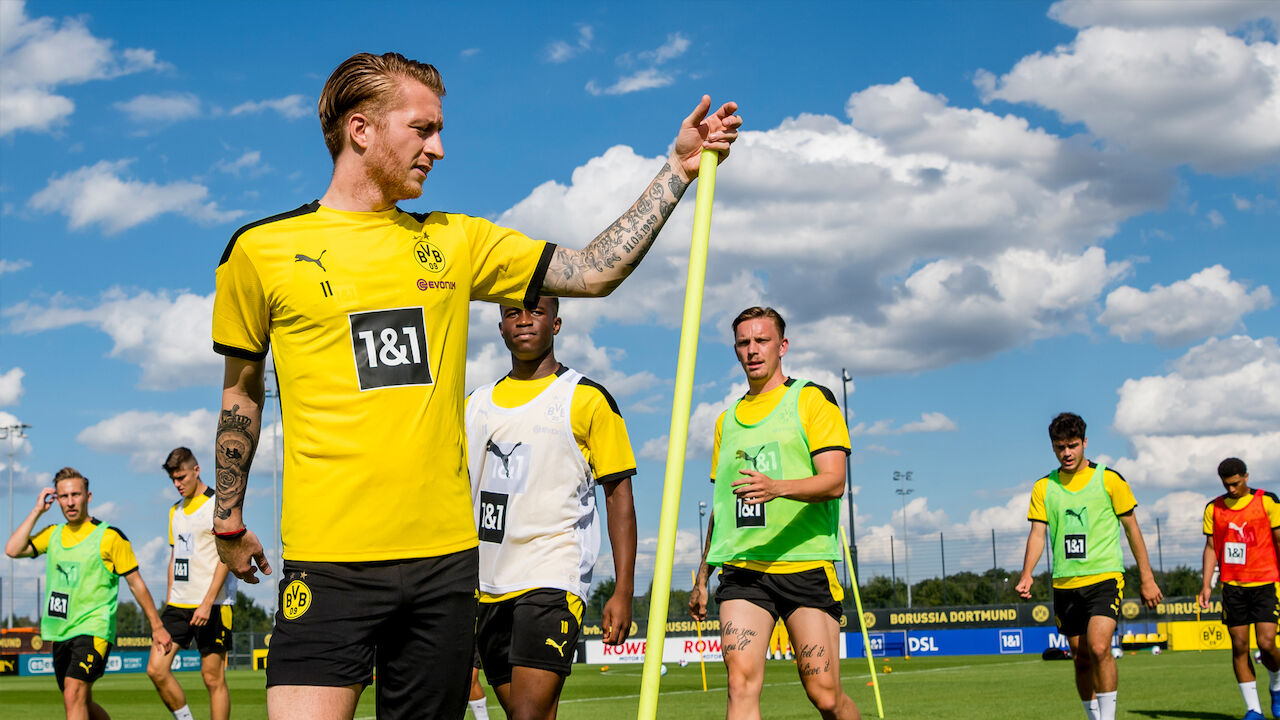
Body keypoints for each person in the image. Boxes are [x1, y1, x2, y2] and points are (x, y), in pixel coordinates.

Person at [210, 51, 738, 720]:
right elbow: (242, 392)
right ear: (362, 128)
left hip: (445, 568)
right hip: (328, 563)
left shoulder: (455, 241)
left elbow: (592, 270)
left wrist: (677, 171)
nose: (439, 148)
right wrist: (227, 516)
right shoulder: (260, 250)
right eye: (422, 129)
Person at [466, 296, 638, 720]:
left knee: (527, 715)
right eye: (512, 313)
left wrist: (623, 588)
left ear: (556, 323)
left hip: (553, 577)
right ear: (500, 328)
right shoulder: (475, 404)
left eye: (536, 312)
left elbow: (618, 496)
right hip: (485, 584)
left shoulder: (586, 398)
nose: (524, 321)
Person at [689, 306, 861, 720]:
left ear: (781, 346)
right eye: (744, 343)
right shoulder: (725, 421)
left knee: (824, 694)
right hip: (744, 571)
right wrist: (702, 574)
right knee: (739, 684)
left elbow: (834, 481)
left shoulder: (811, 400)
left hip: (804, 565)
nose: (752, 350)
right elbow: (724, 506)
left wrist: (776, 488)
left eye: (761, 340)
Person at [1015, 412, 1163, 720]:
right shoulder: (1044, 487)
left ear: (1084, 443)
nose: (1066, 453)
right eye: (1059, 447)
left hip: (1105, 577)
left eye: (1072, 445)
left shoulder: (1110, 479)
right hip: (1065, 584)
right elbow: (1038, 533)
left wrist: (1146, 578)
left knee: (1098, 648)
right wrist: (1027, 572)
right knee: (1081, 658)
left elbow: (1132, 529)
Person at [5, 468, 173, 720]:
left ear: (88, 496)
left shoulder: (110, 537)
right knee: (78, 700)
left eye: (75, 494)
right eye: (63, 496)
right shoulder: (53, 534)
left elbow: (136, 583)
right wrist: (37, 510)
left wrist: (157, 626)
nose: (70, 502)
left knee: (73, 694)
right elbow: (12, 549)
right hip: (60, 632)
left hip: (94, 629)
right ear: (56, 500)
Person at [147, 448, 236, 720]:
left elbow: (227, 558)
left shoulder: (218, 505)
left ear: (196, 470)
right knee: (156, 669)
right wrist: (168, 600)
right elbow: (175, 558)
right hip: (178, 605)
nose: (177, 484)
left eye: (182, 477)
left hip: (214, 604)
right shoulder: (175, 510)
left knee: (212, 679)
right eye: (173, 479)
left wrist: (207, 603)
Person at [1199, 457, 1280, 720]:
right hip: (1233, 586)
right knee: (1240, 645)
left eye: (1235, 483)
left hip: (1266, 582)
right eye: (1226, 485)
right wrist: (1206, 585)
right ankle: (1253, 709)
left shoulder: (1267, 501)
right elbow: (1211, 547)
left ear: (1246, 476)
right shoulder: (1214, 508)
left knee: (1267, 644)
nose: (1231, 489)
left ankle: (1277, 685)